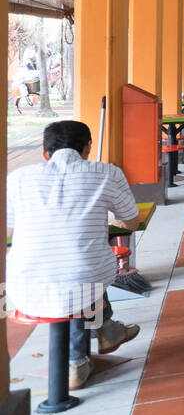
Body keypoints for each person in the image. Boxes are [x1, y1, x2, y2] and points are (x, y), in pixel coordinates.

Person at [6, 121, 142, 389]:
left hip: (22, 283)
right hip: (85, 276)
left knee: (78, 268)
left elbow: (10, 224)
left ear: (45, 152)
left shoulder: (18, 178)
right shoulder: (106, 173)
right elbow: (132, 222)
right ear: (87, 147)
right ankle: (77, 361)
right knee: (84, 269)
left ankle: (105, 331)